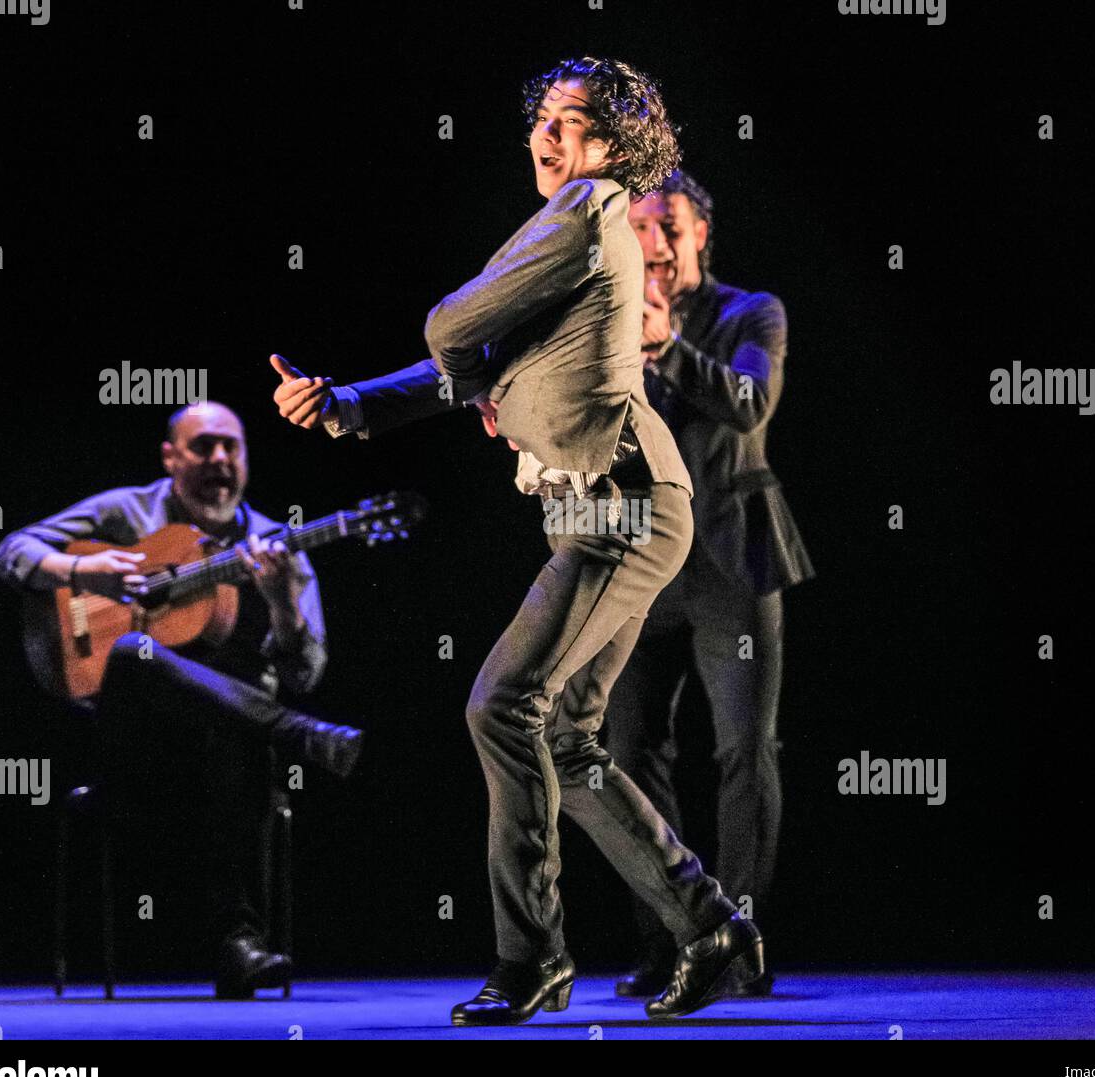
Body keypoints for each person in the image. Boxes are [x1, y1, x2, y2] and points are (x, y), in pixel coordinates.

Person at [269, 56, 762, 1023]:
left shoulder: (582, 212)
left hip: (619, 503)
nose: (545, 135)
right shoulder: (577, 227)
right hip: (613, 502)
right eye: (540, 117)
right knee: (567, 740)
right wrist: (347, 406)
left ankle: (532, 957)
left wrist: (466, 348)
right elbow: (477, 365)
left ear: (614, 144)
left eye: (570, 122)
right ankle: (711, 926)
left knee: (501, 705)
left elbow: (453, 330)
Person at [0, 402, 363, 998]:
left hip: (226, 751)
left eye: (231, 448)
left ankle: (239, 946)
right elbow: (11, 551)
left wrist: (284, 606)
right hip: (134, 742)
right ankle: (293, 732)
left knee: (224, 730)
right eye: (203, 446)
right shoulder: (125, 512)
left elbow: (305, 672)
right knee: (137, 650)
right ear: (171, 457)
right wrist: (80, 574)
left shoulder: (275, 547)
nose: (219, 459)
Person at [608, 172, 815, 997]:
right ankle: (672, 938)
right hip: (644, 558)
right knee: (627, 752)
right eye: (640, 226)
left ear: (701, 233)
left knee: (743, 749)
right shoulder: (615, 314)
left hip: (732, 555)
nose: (653, 241)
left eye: (669, 224)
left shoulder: (750, 313)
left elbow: (749, 404)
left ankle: (738, 941)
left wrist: (667, 348)